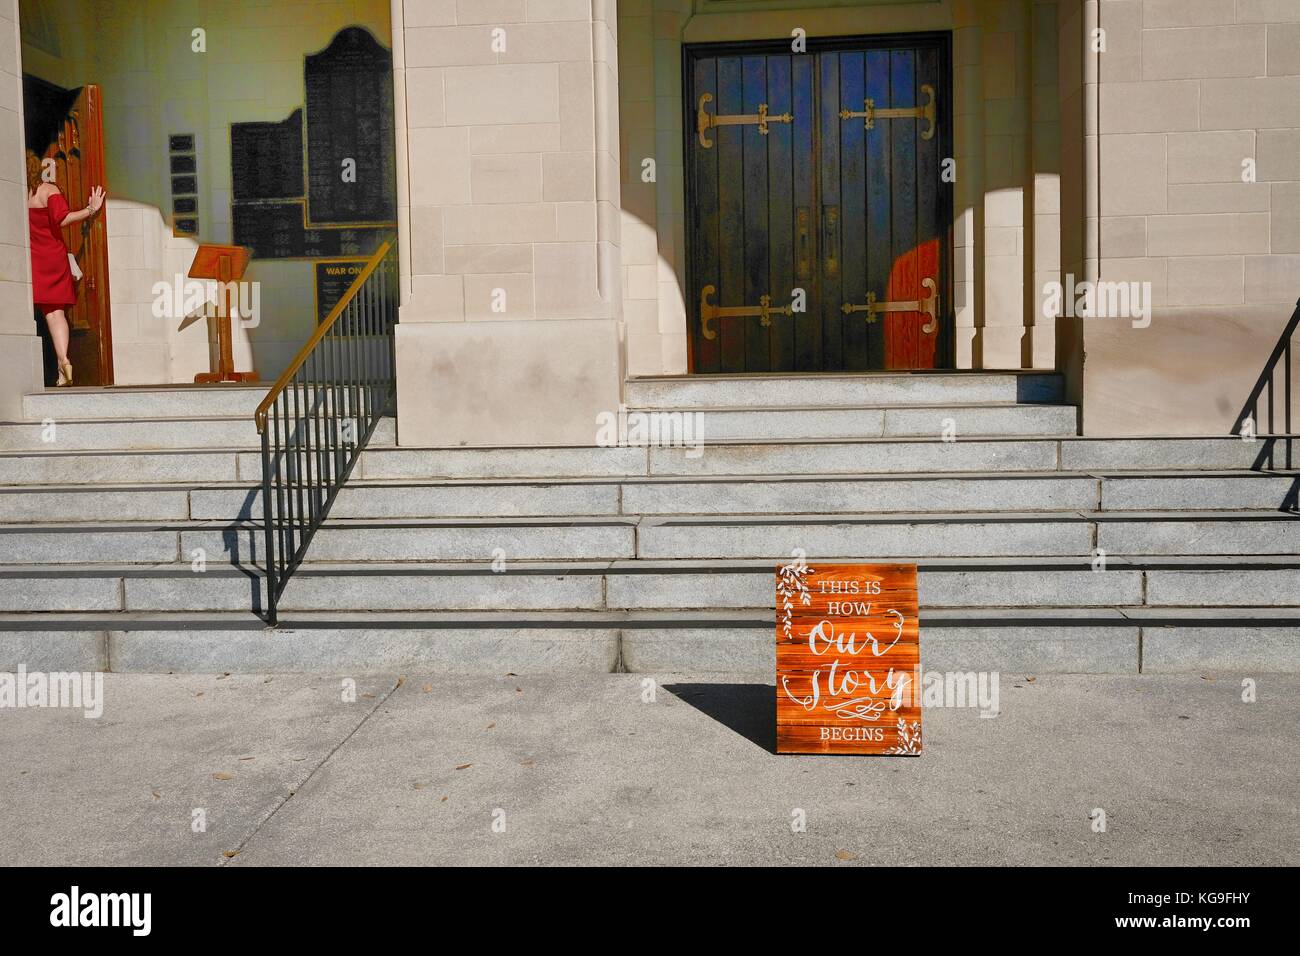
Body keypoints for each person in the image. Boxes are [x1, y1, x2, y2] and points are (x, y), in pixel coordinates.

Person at [26, 150, 104, 386]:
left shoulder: (18, 194)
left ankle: (60, 369)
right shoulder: (48, 190)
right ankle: (64, 362)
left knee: (44, 312)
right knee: (56, 312)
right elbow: (62, 218)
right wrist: (91, 210)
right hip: (53, 257)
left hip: (32, 260)